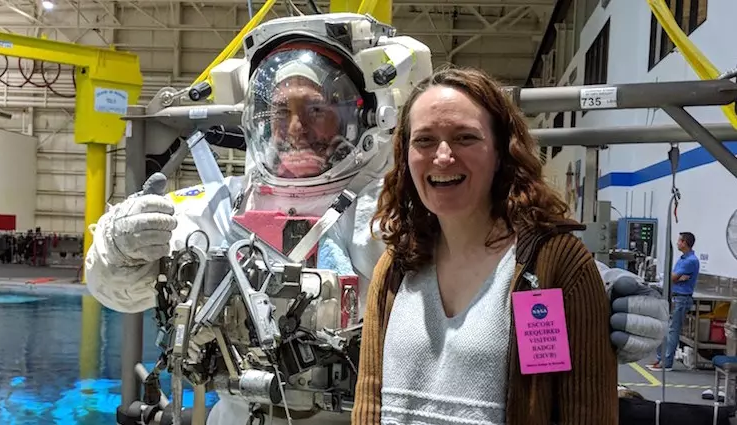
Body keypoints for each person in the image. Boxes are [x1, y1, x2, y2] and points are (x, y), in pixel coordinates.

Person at [84, 14, 667, 425]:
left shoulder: (389, 211)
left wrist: (600, 296)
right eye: (279, 111)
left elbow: (490, 259)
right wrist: (119, 243)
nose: (296, 128)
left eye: (316, 109)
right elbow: (118, 290)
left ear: (361, 114)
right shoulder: (217, 206)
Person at [351, 67, 618, 424]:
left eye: (465, 138)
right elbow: (369, 402)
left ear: (501, 153)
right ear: (406, 155)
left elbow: (586, 413)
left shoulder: (548, 267)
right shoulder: (398, 265)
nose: (443, 157)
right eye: (425, 140)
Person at [648, 231, 700, 371]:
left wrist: (674, 277)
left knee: (672, 331)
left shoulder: (690, 261)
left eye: (679, 241)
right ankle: (661, 359)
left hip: (681, 299)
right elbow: (673, 277)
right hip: (675, 297)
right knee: (665, 328)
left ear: (685, 243)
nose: (677, 243)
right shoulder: (683, 259)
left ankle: (666, 363)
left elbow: (671, 278)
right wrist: (675, 277)